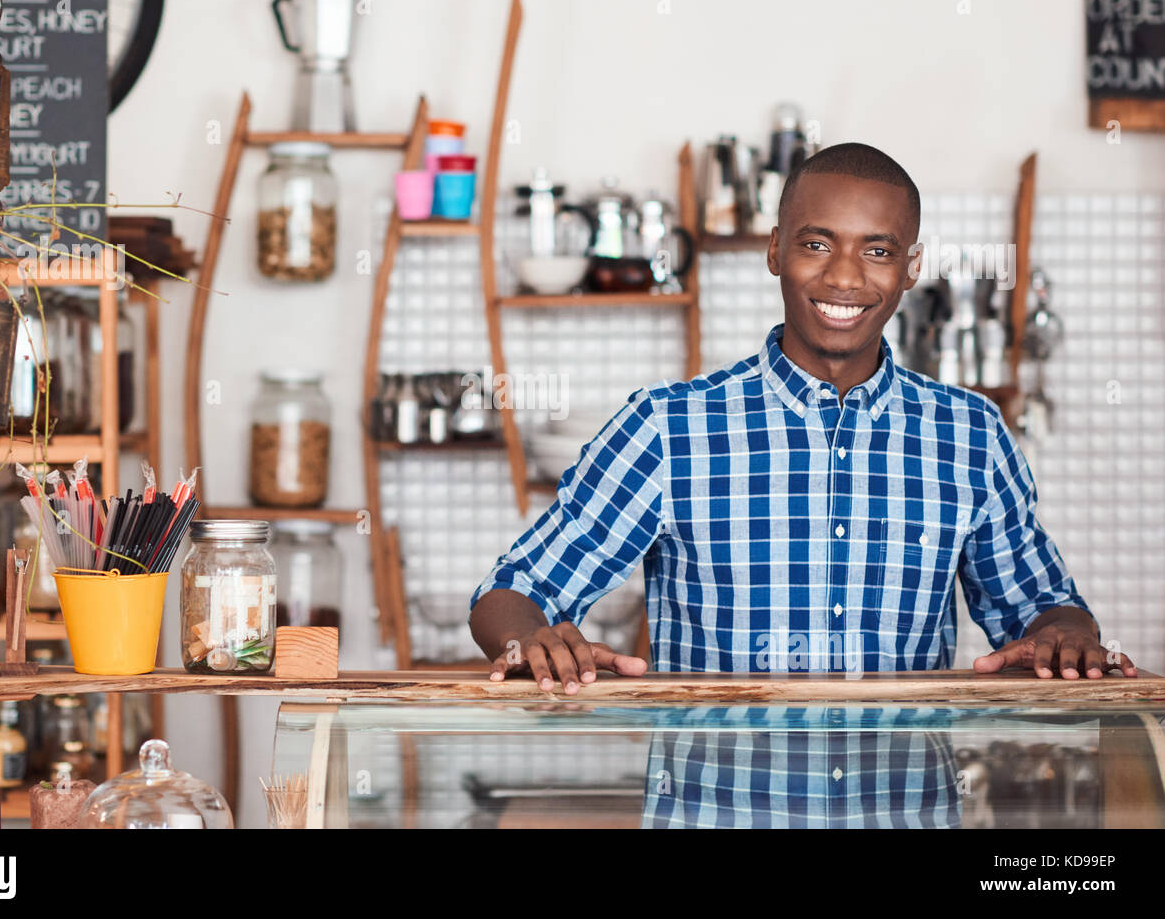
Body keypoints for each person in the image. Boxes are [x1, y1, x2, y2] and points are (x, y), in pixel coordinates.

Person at [469, 142, 1136, 693]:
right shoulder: (668, 430)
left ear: (911, 268)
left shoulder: (969, 435)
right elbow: (512, 594)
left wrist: (1067, 640)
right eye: (817, 244)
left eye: (877, 251)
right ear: (775, 249)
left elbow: (1041, 605)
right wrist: (528, 640)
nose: (844, 278)